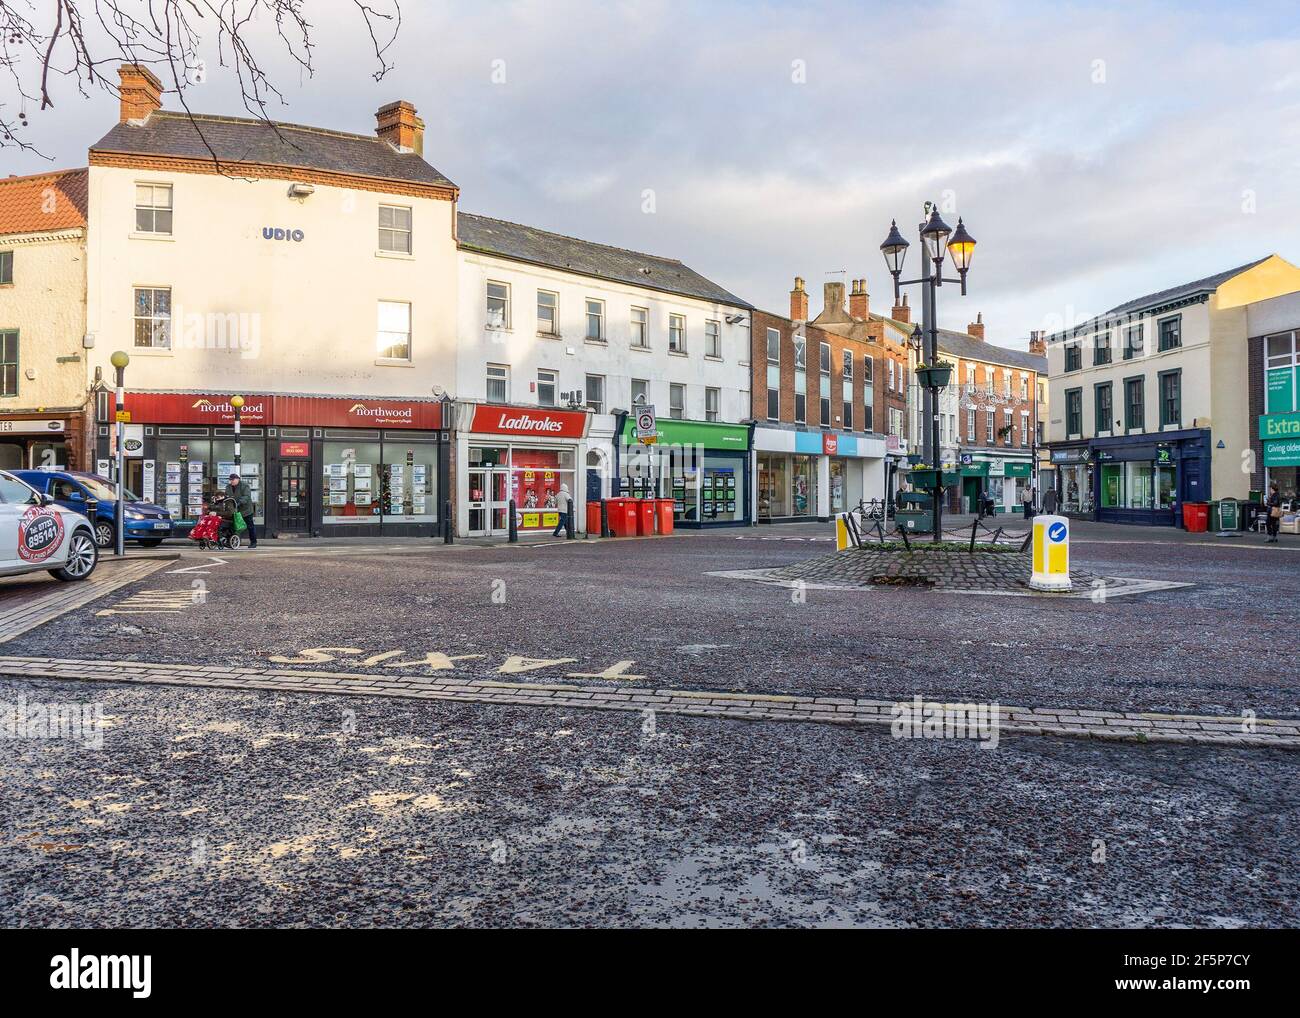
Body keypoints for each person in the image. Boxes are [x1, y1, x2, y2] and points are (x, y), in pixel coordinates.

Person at [225, 471, 257, 548]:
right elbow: (227, 496)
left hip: (246, 510)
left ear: (237, 479)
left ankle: (253, 542)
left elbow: (246, 496)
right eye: (230, 480)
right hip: (235, 510)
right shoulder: (228, 487)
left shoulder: (244, 486)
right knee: (233, 526)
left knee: (250, 526)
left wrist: (239, 502)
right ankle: (232, 541)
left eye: (233, 480)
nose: (231, 481)